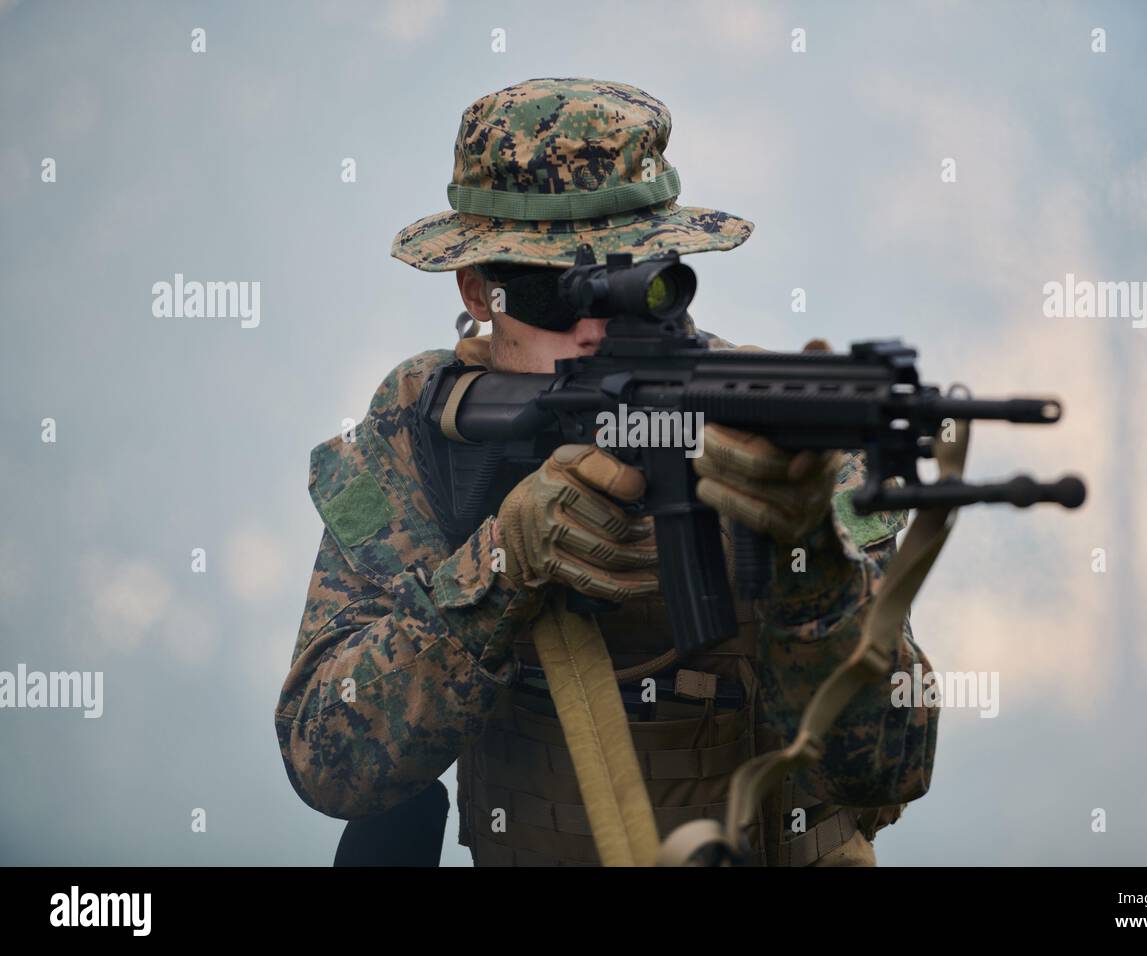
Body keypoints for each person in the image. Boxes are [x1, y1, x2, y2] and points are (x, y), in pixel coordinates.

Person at [274, 77, 939, 866]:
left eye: (637, 282)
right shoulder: (425, 432)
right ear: (477, 289)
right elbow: (330, 762)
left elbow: (889, 764)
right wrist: (499, 567)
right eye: (555, 292)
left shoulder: (778, 426)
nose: (597, 327)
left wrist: (807, 562)